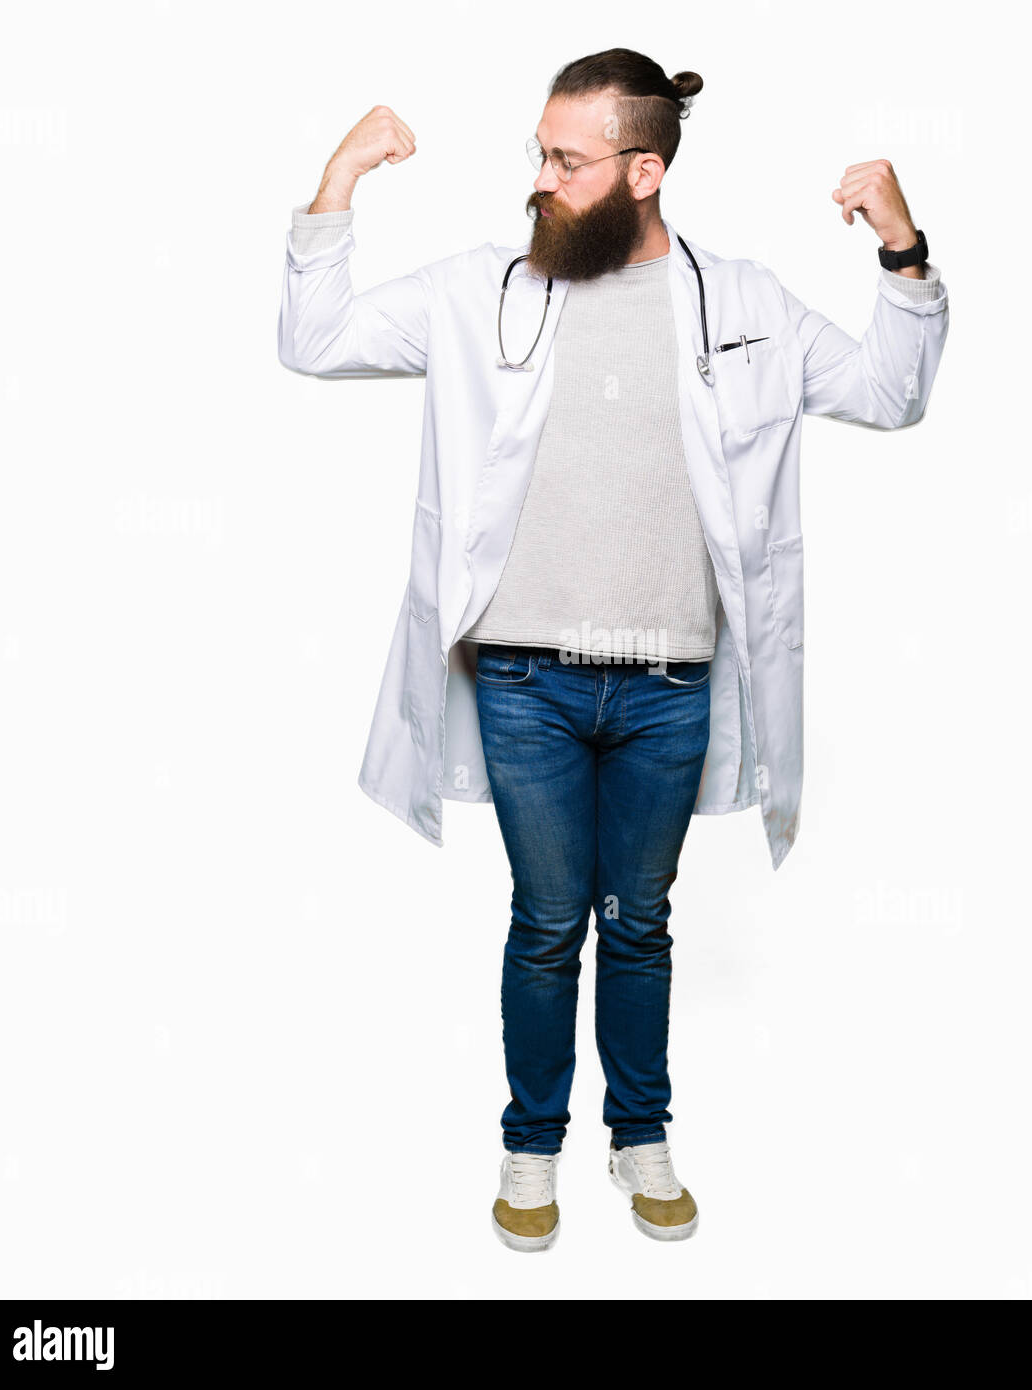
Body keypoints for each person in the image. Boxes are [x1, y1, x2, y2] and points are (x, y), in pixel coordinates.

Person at [278, 47, 949, 1252]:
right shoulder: (480, 290)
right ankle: (530, 1146)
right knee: (547, 919)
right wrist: (340, 179)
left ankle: (640, 1134)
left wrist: (901, 250)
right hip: (524, 682)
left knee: (638, 920)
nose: (540, 178)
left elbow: (891, 395)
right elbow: (312, 339)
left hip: (670, 682)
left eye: (567, 159)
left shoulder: (743, 303)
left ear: (644, 171)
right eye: (538, 151)